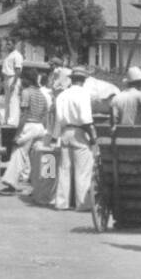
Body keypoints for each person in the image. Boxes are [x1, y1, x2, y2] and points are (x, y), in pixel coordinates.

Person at [0, 65, 52, 193]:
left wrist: (17, 134)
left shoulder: (26, 92)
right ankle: (42, 187)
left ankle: (11, 184)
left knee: (18, 153)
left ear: (26, 80)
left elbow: (24, 115)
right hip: (40, 127)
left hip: (29, 126)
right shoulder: (42, 95)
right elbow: (45, 115)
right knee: (37, 157)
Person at [53, 65, 96, 210]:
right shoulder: (83, 94)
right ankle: (82, 203)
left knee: (64, 169)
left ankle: (61, 202)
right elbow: (85, 119)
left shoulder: (63, 95)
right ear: (84, 80)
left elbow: (58, 118)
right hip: (79, 132)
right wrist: (93, 138)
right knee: (83, 170)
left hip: (65, 131)